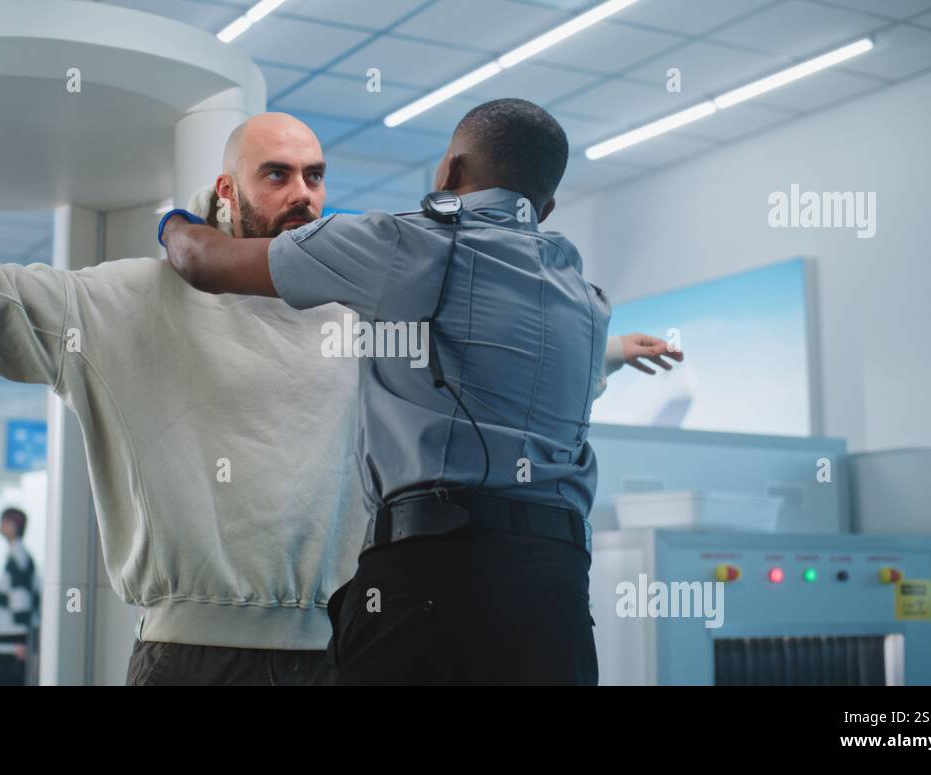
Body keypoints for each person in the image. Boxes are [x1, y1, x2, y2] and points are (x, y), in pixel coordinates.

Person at [0, 112, 673, 686]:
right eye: (278, 174)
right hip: (193, 658)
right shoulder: (133, 298)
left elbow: (470, 376)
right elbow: (0, 299)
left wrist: (607, 352)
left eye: (316, 175)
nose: (304, 193)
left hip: (346, 647)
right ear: (226, 193)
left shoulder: (365, 311)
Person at [161, 98, 629, 684]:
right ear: (546, 205)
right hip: (558, 597)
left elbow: (204, 261)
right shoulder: (588, 300)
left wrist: (173, 220)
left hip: (433, 583)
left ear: (451, 174)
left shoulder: (406, 245)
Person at [0, 507, 40, 686]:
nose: (0, 525)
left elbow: (21, 598)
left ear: (14, 526)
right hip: (7, 643)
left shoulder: (18, 556)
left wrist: (20, 640)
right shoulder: (16, 555)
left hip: (11, 645)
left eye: (4, 521)